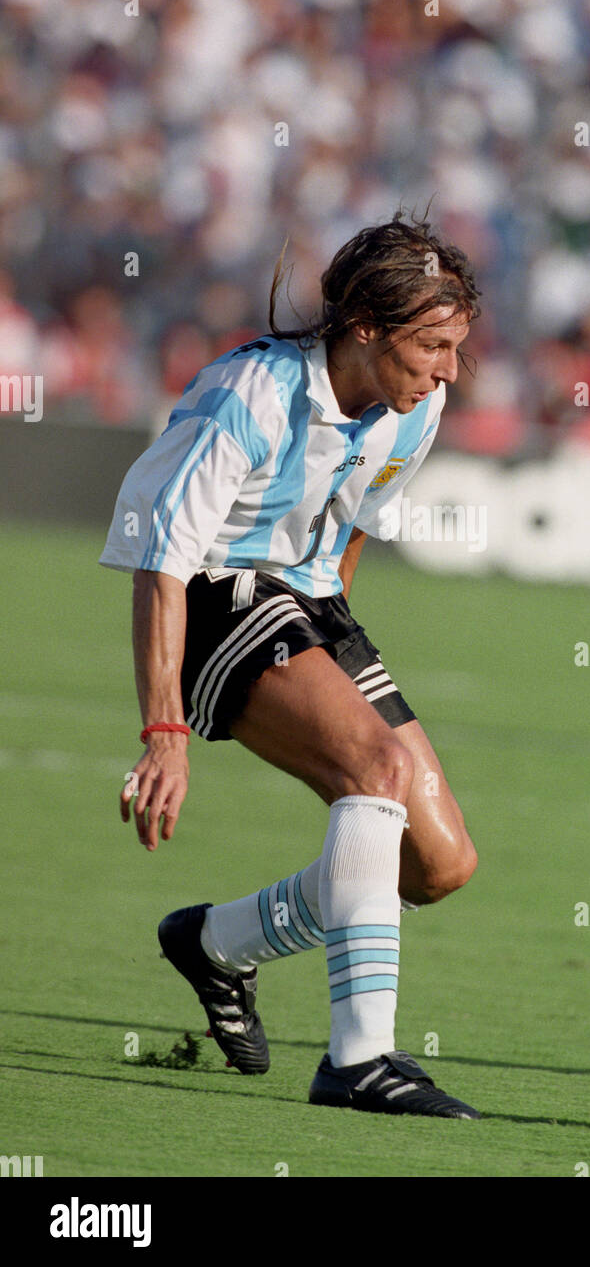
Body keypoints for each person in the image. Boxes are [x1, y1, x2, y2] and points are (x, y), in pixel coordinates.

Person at [99, 210, 483, 1118]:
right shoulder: (252, 393)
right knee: (378, 771)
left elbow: (348, 532)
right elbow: (161, 561)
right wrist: (164, 733)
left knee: (437, 864)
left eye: (457, 347)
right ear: (362, 329)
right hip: (210, 597)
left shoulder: (414, 407)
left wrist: (332, 659)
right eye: (432, 345)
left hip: (309, 603)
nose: (448, 371)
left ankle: (215, 943)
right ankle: (359, 1061)